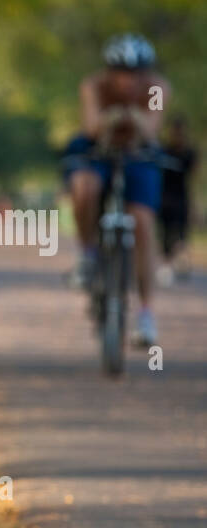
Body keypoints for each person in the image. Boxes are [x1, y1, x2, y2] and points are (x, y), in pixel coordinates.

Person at [62, 33, 167, 346]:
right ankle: (87, 255)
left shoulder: (158, 89)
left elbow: (151, 130)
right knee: (84, 186)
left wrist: (132, 116)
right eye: (121, 72)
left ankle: (146, 315)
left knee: (143, 221)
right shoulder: (92, 86)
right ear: (109, 71)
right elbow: (92, 125)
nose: (128, 80)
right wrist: (119, 118)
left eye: (136, 73)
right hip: (98, 151)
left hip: (140, 154)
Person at [158, 115, 196, 283]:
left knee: (181, 233)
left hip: (182, 199)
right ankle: (167, 264)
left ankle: (180, 260)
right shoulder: (164, 151)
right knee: (165, 233)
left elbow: (194, 177)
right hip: (165, 198)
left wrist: (194, 205)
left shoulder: (190, 154)